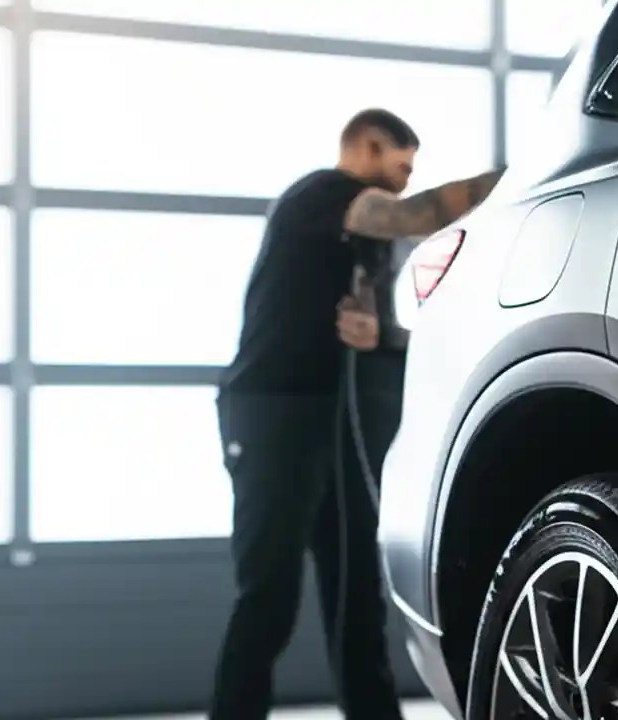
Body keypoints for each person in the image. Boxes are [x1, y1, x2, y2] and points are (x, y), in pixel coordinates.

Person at [211, 108, 504, 720]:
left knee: (355, 591)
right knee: (269, 594)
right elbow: (413, 215)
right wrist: (518, 177)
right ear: (370, 144)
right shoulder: (322, 195)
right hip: (272, 417)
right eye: (402, 163)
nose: (405, 177)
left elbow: (374, 324)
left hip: (333, 422)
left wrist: (380, 335)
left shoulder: (366, 241)